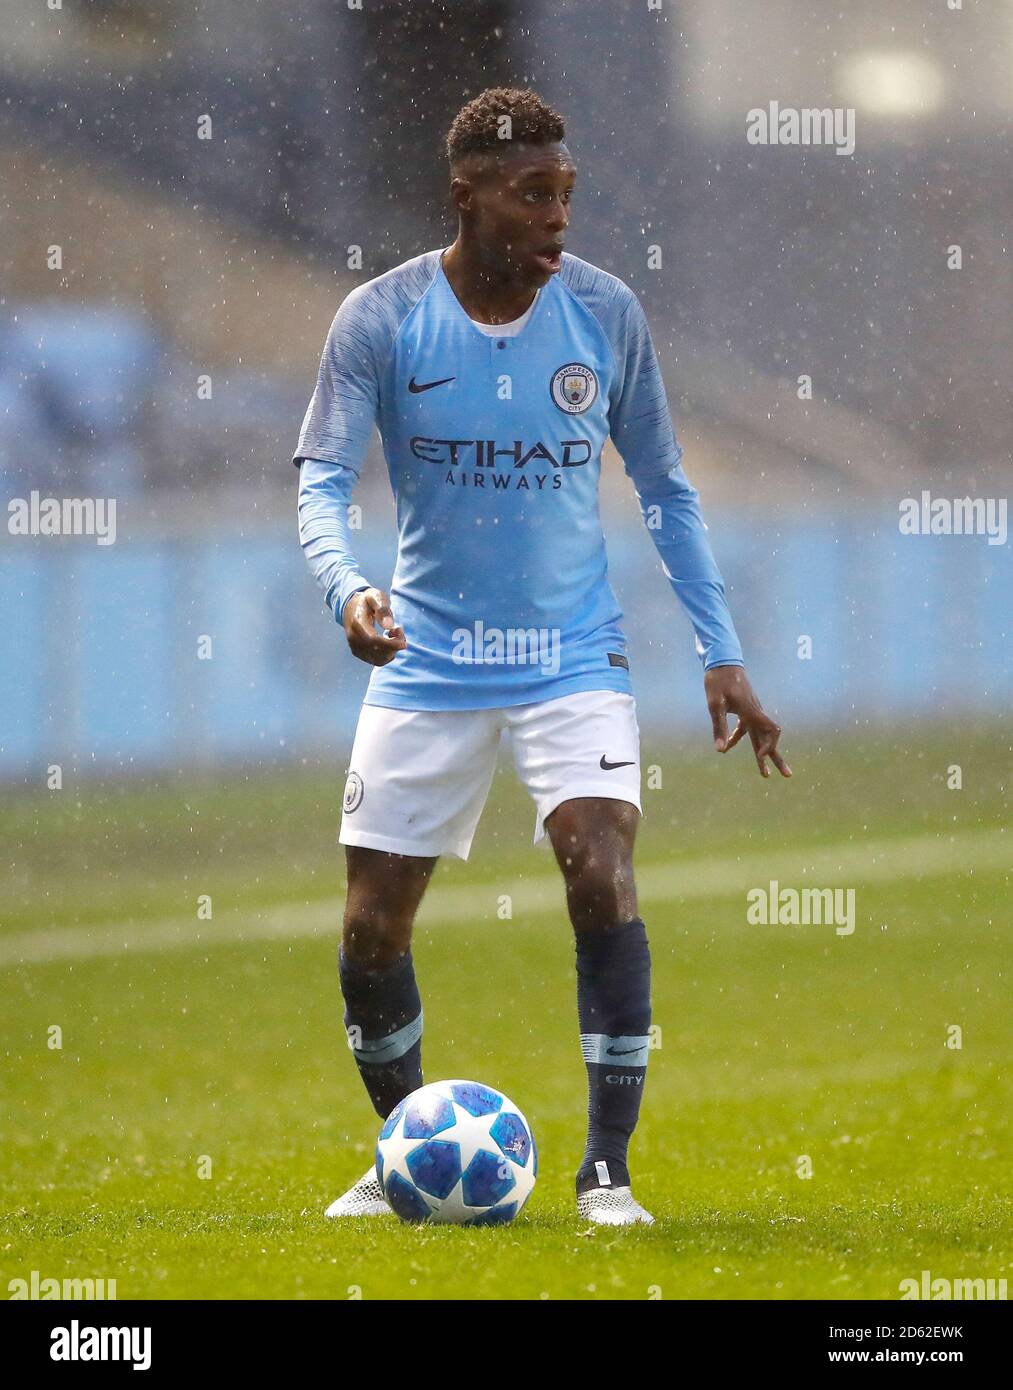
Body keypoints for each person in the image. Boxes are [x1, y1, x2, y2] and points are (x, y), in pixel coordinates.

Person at [294, 87, 790, 1226]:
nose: (558, 215)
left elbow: (664, 485)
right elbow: (319, 476)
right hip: (425, 653)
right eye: (532, 194)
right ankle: (401, 1153)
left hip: (570, 652)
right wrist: (348, 586)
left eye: (566, 193)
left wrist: (721, 650)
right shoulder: (380, 317)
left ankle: (605, 1169)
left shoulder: (605, 315)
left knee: (598, 867)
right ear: (464, 196)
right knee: (372, 924)